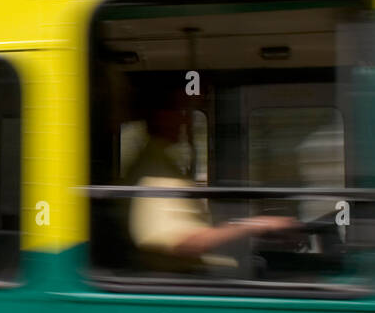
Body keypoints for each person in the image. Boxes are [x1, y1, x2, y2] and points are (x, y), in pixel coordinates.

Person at [123, 85, 298, 271]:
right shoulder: (154, 170)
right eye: (180, 111)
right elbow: (183, 242)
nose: (186, 120)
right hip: (181, 281)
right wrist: (259, 225)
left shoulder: (163, 161)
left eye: (188, 112)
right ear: (159, 115)